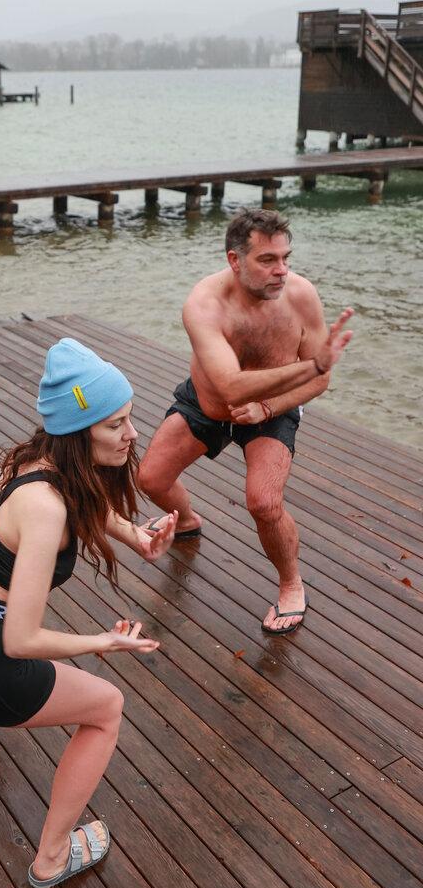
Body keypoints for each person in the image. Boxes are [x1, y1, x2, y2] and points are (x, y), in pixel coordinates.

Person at [0, 338, 177, 888]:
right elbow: (21, 639)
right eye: (115, 425)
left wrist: (135, 536)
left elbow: (80, 502)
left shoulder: (28, 460)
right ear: (79, 430)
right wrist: (103, 642)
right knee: (106, 707)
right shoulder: (48, 509)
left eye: (129, 420)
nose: (131, 436)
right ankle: (53, 856)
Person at [138, 207, 354, 636]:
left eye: (286, 258)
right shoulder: (203, 304)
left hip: (271, 411)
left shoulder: (301, 295)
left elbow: (321, 380)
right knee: (151, 479)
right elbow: (232, 386)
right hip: (208, 403)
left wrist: (270, 407)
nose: (282, 271)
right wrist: (313, 364)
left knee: (263, 502)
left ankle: (291, 585)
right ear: (235, 261)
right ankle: (187, 519)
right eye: (268, 261)